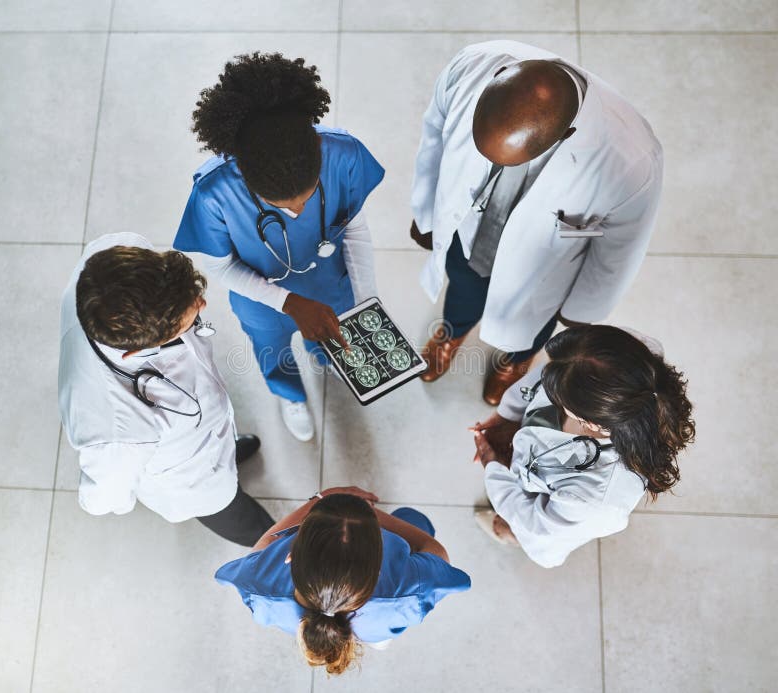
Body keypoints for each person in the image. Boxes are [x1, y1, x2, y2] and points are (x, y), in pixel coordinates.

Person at [409, 40, 663, 405]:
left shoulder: (633, 161)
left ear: (565, 137)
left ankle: (517, 360)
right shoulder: (471, 66)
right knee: (462, 286)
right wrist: (426, 213)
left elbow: (620, 249)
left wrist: (582, 310)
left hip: (543, 272)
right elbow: (433, 136)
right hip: (470, 235)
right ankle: (452, 333)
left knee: (531, 323)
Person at [174, 52, 385, 442]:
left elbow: (353, 230)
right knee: (272, 350)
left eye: (307, 197)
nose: (299, 211)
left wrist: (367, 301)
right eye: (281, 206)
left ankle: (326, 357)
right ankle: (289, 394)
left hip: (331, 284)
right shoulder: (213, 193)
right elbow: (220, 268)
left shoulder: (344, 155)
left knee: (331, 336)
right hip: (261, 300)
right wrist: (288, 303)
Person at [58, 232, 274, 546]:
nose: (202, 304)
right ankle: (273, 542)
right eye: (190, 320)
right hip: (190, 480)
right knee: (245, 521)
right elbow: (105, 496)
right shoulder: (117, 431)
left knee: (221, 444)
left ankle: (227, 453)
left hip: (207, 431)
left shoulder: (108, 267)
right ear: (136, 350)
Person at [470, 325, 695, 568]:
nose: (547, 381)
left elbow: (538, 525)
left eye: (558, 396)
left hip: (546, 513)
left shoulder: (597, 499)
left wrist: (494, 470)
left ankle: (511, 533)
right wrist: (508, 415)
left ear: (590, 422)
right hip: (532, 462)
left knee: (526, 527)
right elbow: (546, 376)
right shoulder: (612, 354)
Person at [216, 487, 471, 675]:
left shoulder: (260, 586)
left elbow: (262, 547)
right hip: (381, 623)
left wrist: (321, 499)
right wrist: (372, 516)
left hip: (306, 622)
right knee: (411, 516)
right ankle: (378, 641)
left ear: (291, 554)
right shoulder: (410, 591)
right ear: (380, 560)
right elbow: (435, 551)